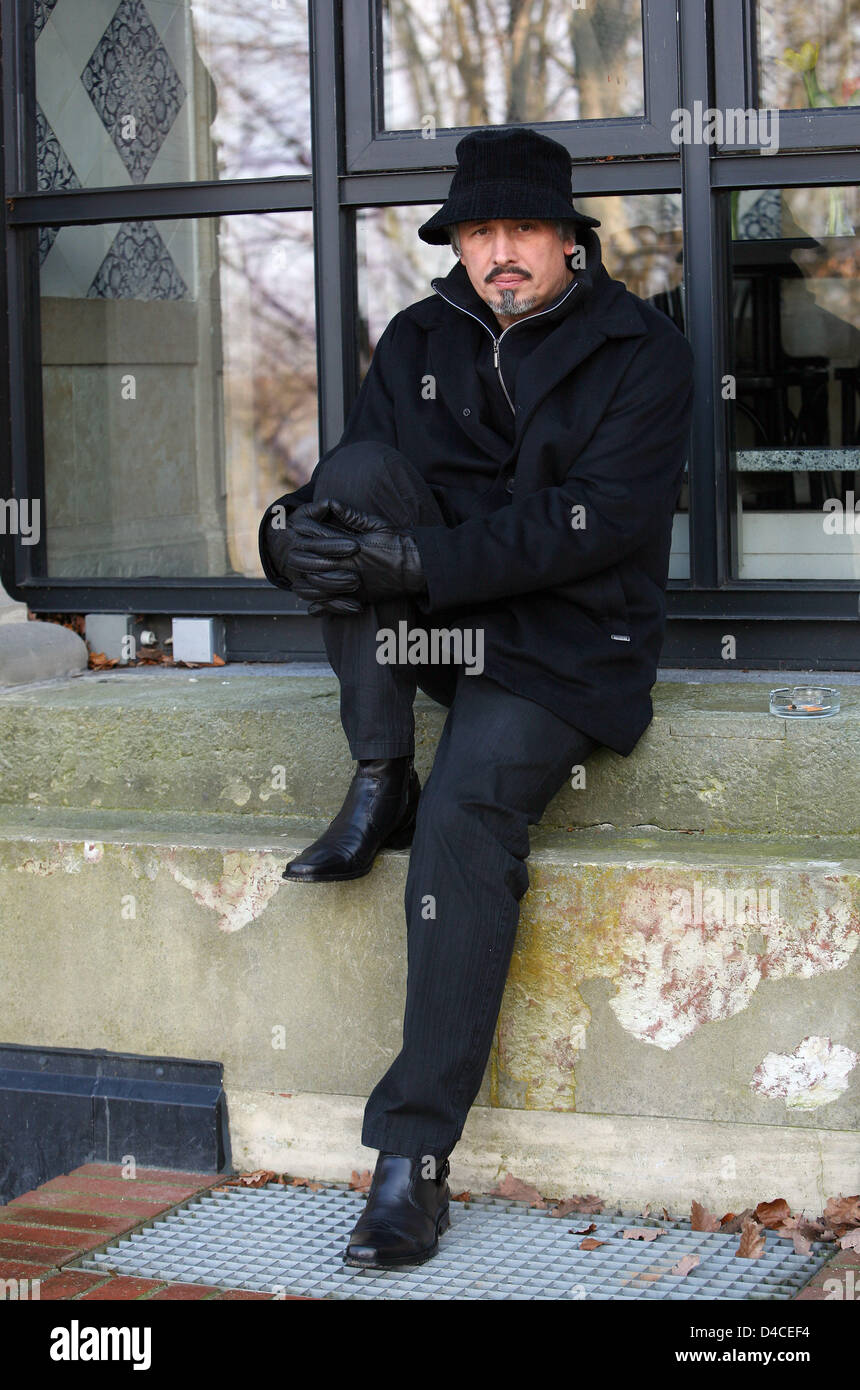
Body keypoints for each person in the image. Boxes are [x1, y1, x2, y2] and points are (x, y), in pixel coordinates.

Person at [258, 126, 695, 1269]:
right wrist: (285, 540)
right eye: (478, 234)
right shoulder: (419, 336)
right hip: (441, 627)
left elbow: (593, 521)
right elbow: (359, 491)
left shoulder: (638, 347)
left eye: (520, 232)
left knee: (464, 822)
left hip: (564, 645)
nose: (498, 255)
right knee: (344, 483)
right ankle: (375, 768)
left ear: (566, 239)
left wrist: (413, 565)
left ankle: (413, 1159)